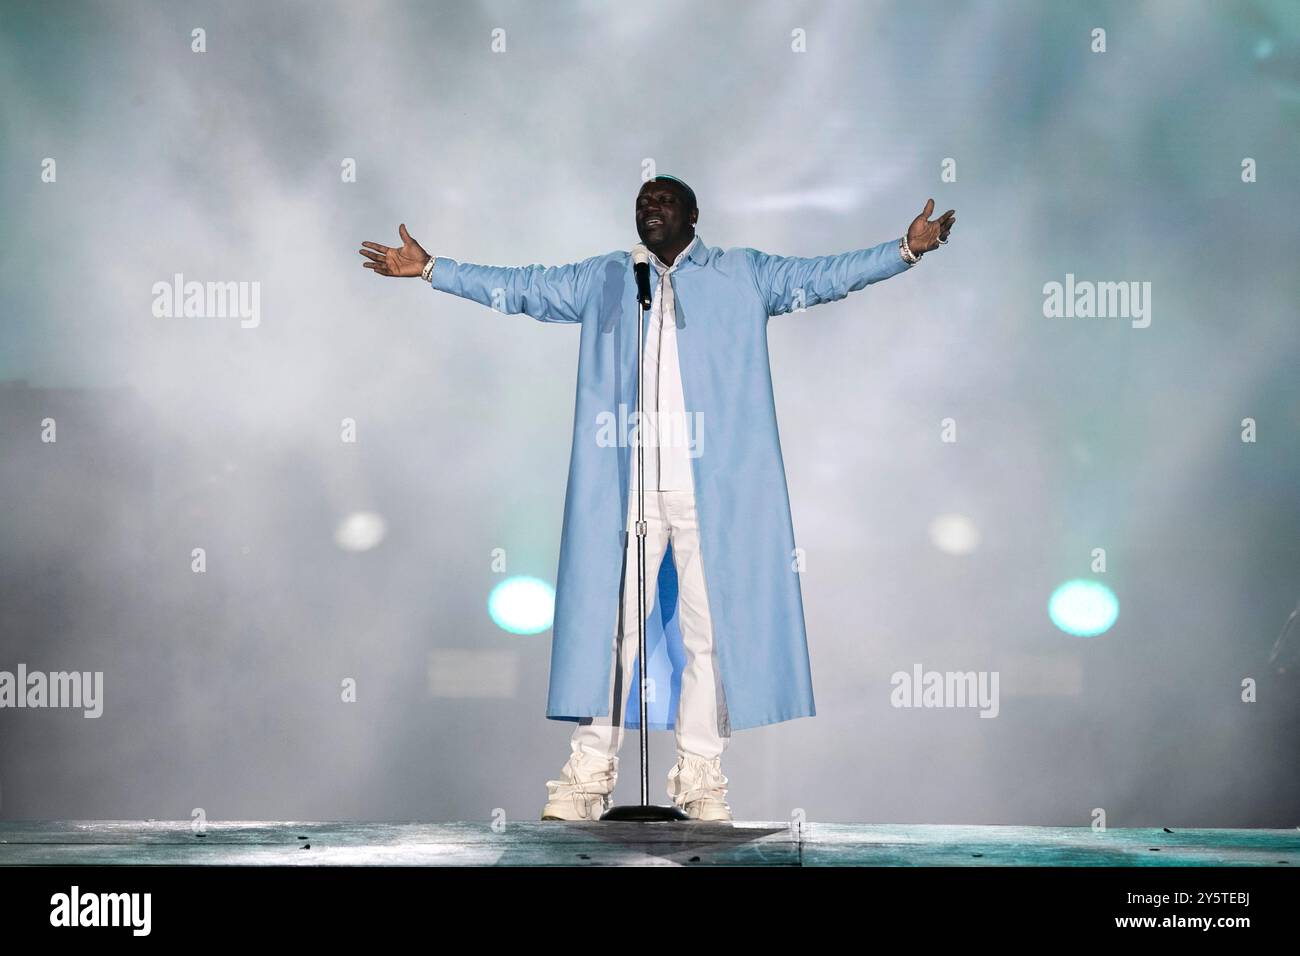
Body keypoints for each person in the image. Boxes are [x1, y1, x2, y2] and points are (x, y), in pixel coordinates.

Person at [359, 176, 955, 821]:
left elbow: (827, 274)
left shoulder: (743, 274)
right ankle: (588, 774)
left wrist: (903, 249)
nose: (651, 209)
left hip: (713, 493)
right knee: (609, 635)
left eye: (664, 201)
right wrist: (432, 270)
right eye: (642, 202)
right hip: (626, 490)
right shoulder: (609, 278)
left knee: (709, 638)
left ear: (693, 216)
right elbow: (523, 288)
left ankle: (700, 776)